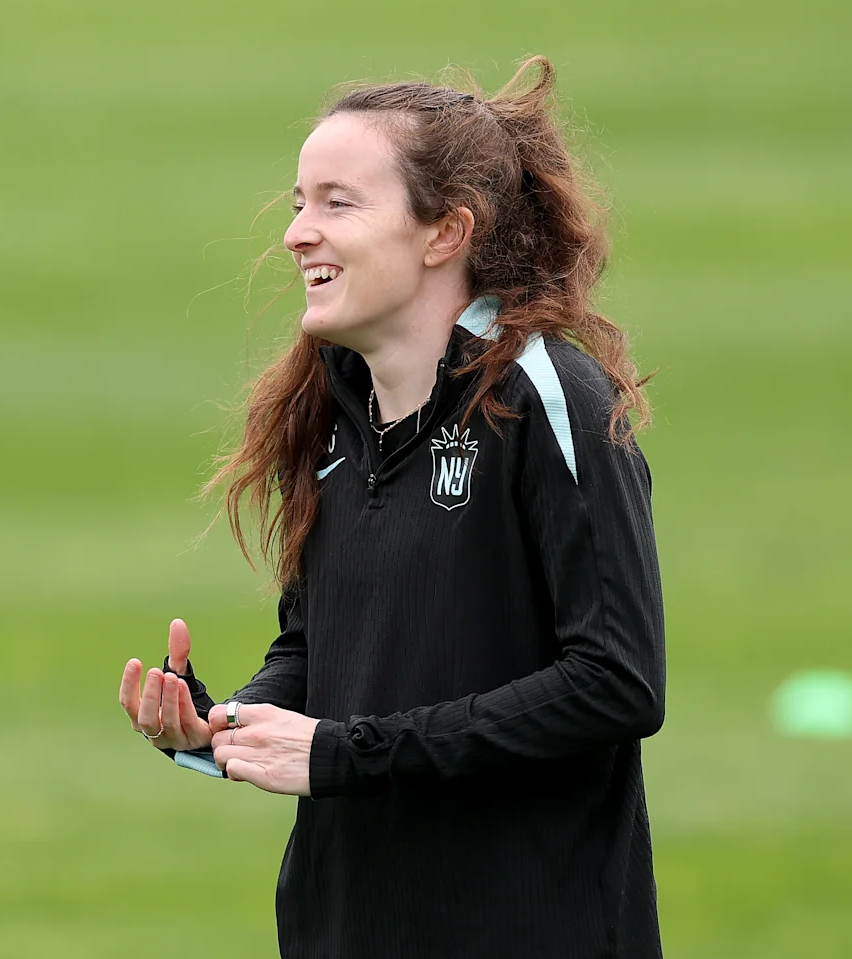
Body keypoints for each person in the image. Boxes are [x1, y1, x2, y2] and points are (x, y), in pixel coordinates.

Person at [116, 56, 664, 958]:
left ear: (444, 232)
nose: (297, 234)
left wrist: (344, 754)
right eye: (299, 202)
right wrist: (226, 727)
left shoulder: (547, 398)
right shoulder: (337, 409)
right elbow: (319, 650)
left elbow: (616, 681)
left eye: (337, 203)